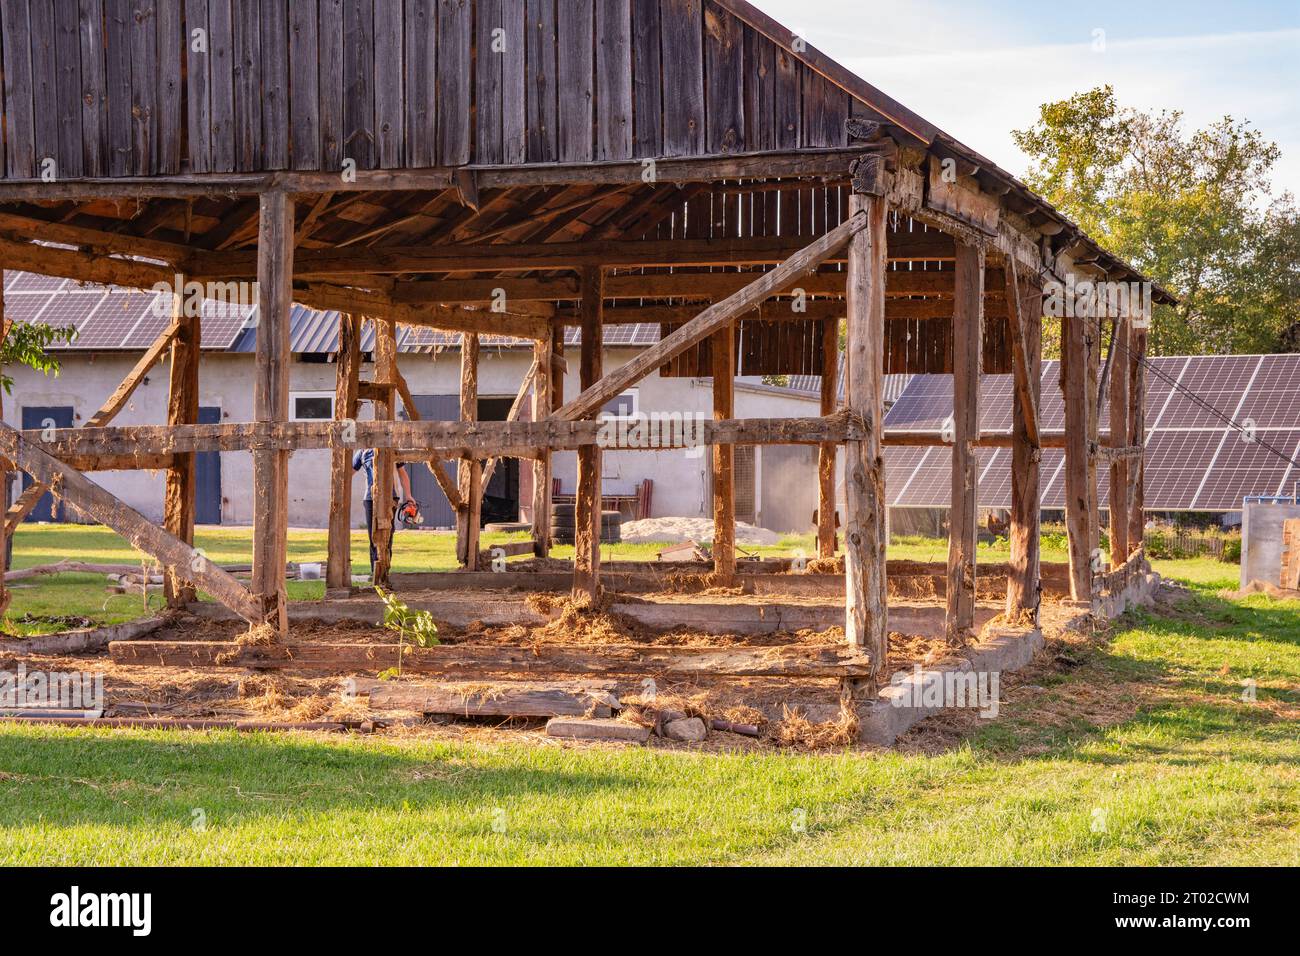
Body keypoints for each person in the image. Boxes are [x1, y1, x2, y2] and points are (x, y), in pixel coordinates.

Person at [352, 449, 413, 575]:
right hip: (370, 498)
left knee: (388, 535)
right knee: (373, 536)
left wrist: (408, 495)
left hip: (391, 496)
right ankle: (374, 573)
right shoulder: (362, 452)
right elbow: (348, 473)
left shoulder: (392, 450)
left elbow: (403, 474)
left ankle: (385, 572)